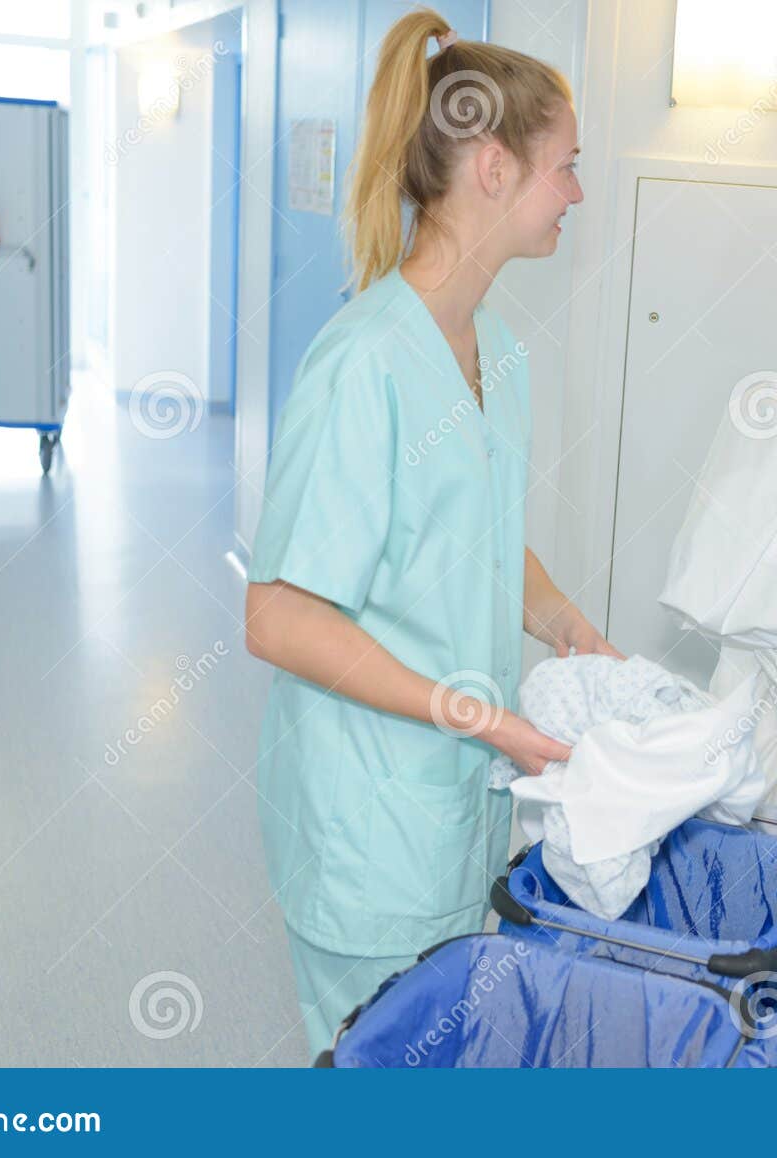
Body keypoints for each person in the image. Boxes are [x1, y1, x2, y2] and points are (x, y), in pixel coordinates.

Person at [243, 9, 616, 1057]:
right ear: (494, 168)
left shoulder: (495, 346)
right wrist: (478, 716)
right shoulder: (365, 362)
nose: (576, 196)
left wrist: (560, 620)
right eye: (566, 167)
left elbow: (481, 531)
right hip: (370, 815)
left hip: (455, 806)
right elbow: (277, 617)